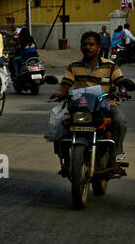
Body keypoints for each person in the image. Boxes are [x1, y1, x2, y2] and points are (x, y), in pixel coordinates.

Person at [51, 30, 128, 166]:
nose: (88, 47)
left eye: (91, 44)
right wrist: (60, 92)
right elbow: (66, 83)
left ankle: (114, 155)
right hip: (82, 105)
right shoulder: (74, 66)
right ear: (81, 47)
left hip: (106, 104)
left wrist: (122, 90)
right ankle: (65, 159)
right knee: (58, 122)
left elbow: (120, 81)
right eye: (85, 44)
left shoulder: (110, 65)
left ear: (99, 47)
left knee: (120, 121)